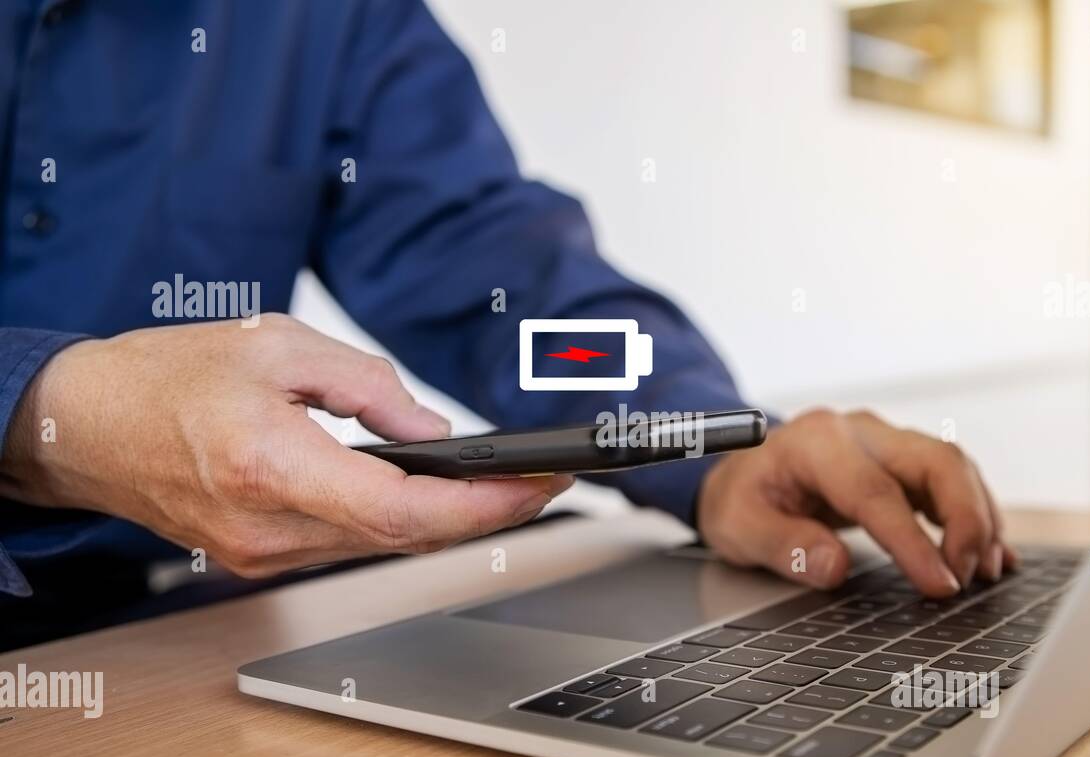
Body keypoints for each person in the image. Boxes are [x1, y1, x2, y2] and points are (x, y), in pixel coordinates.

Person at [0, 0, 1013, 644]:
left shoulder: (328, 19)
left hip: (177, 636)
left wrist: (709, 441)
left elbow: (502, 282)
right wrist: (56, 411)